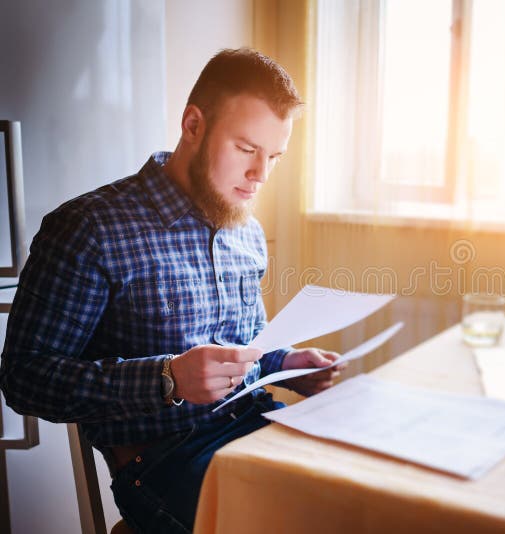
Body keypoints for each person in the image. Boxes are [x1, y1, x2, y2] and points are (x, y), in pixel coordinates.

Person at [0, 48, 342, 533]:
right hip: (164, 463)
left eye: (274, 156)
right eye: (246, 149)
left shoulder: (243, 229)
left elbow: (244, 354)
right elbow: (23, 378)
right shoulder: (88, 228)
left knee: (378, 494)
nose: (260, 175)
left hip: (256, 428)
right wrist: (168, 379)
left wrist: (285, 364)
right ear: (193, 125)